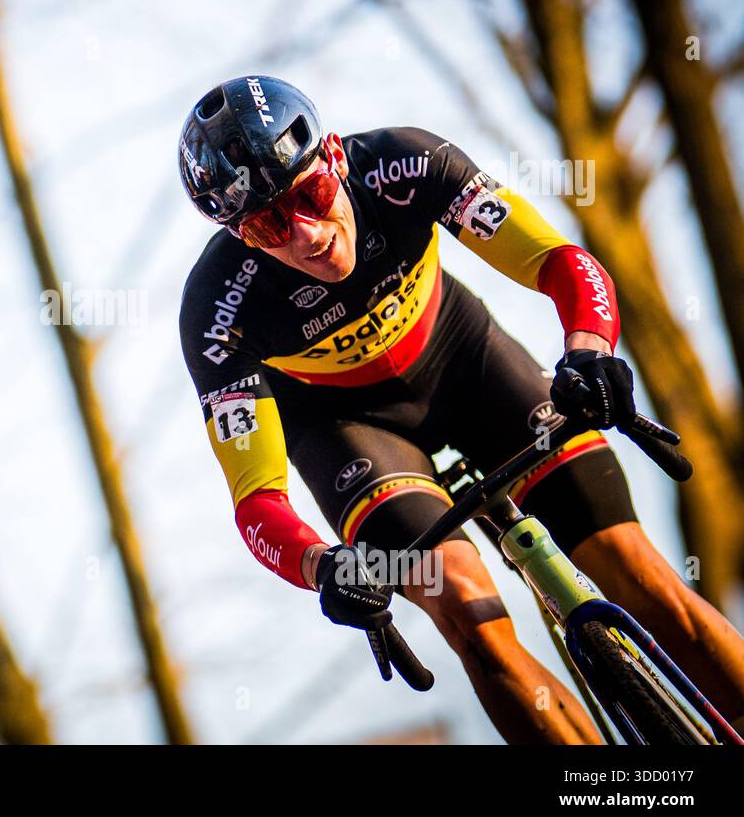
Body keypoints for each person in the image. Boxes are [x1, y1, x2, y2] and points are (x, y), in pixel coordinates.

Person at [176, 76, 744, 743]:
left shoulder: (406, 164)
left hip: (467, 365)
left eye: (311, 195)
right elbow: (258, 502)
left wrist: (589, 350)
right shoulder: (218, 309)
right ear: (242, 234)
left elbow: (557, 260)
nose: (307, 234)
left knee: (634, 568)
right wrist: (321, 566)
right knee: (470, 617)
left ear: (332, 154)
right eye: (271, 223)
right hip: (352, 433)